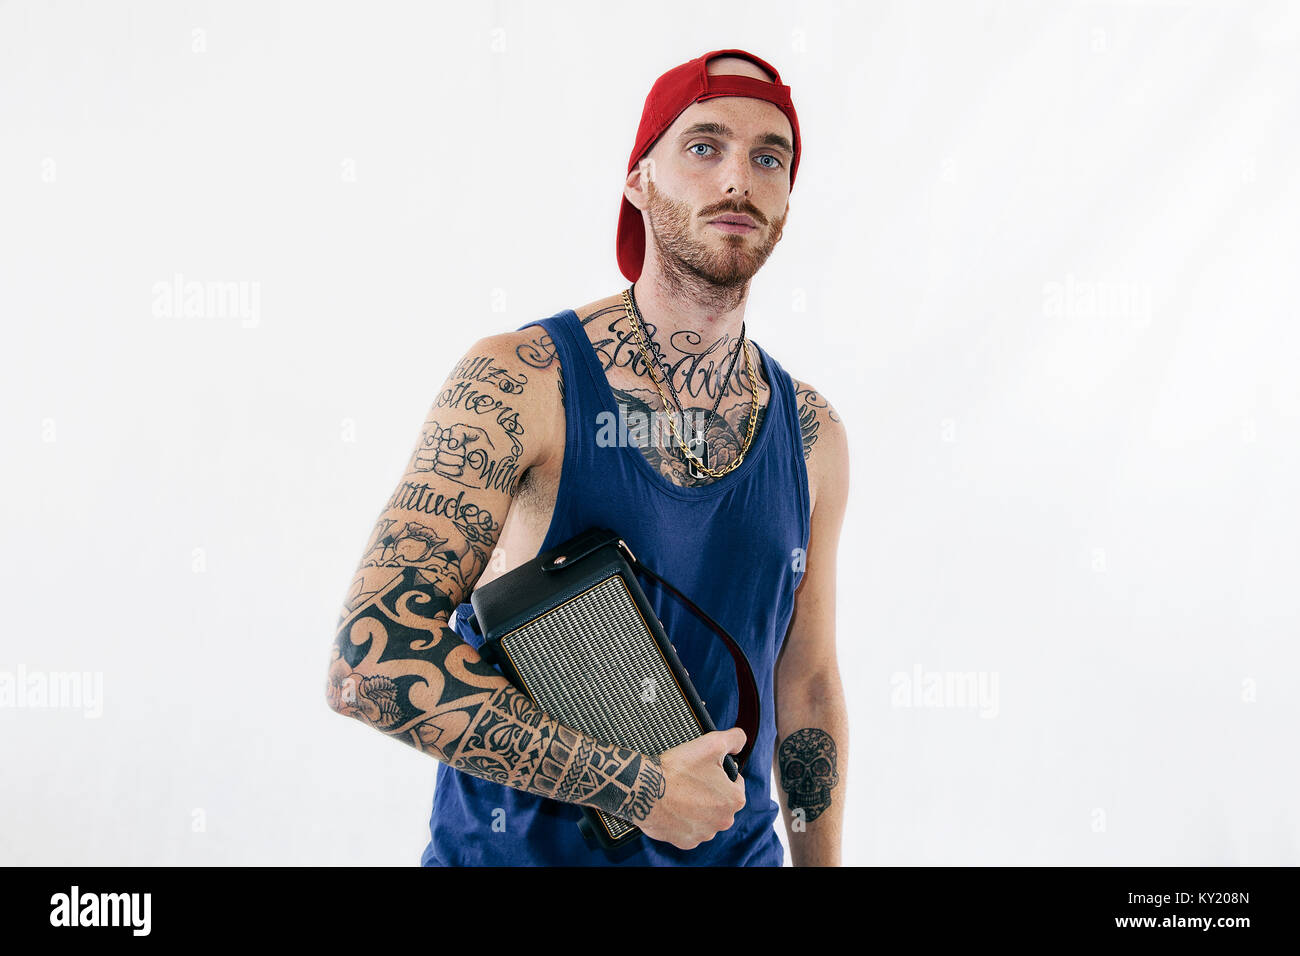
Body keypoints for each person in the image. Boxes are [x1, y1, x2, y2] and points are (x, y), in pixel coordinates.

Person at [326, 48, 850, 866]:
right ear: (639, 180)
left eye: (768, 157)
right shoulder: (519, 382)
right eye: (704, 147)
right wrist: (637, 788)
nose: (737, 180)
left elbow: (808, 685)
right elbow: (371, 660)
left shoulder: (812, 433)